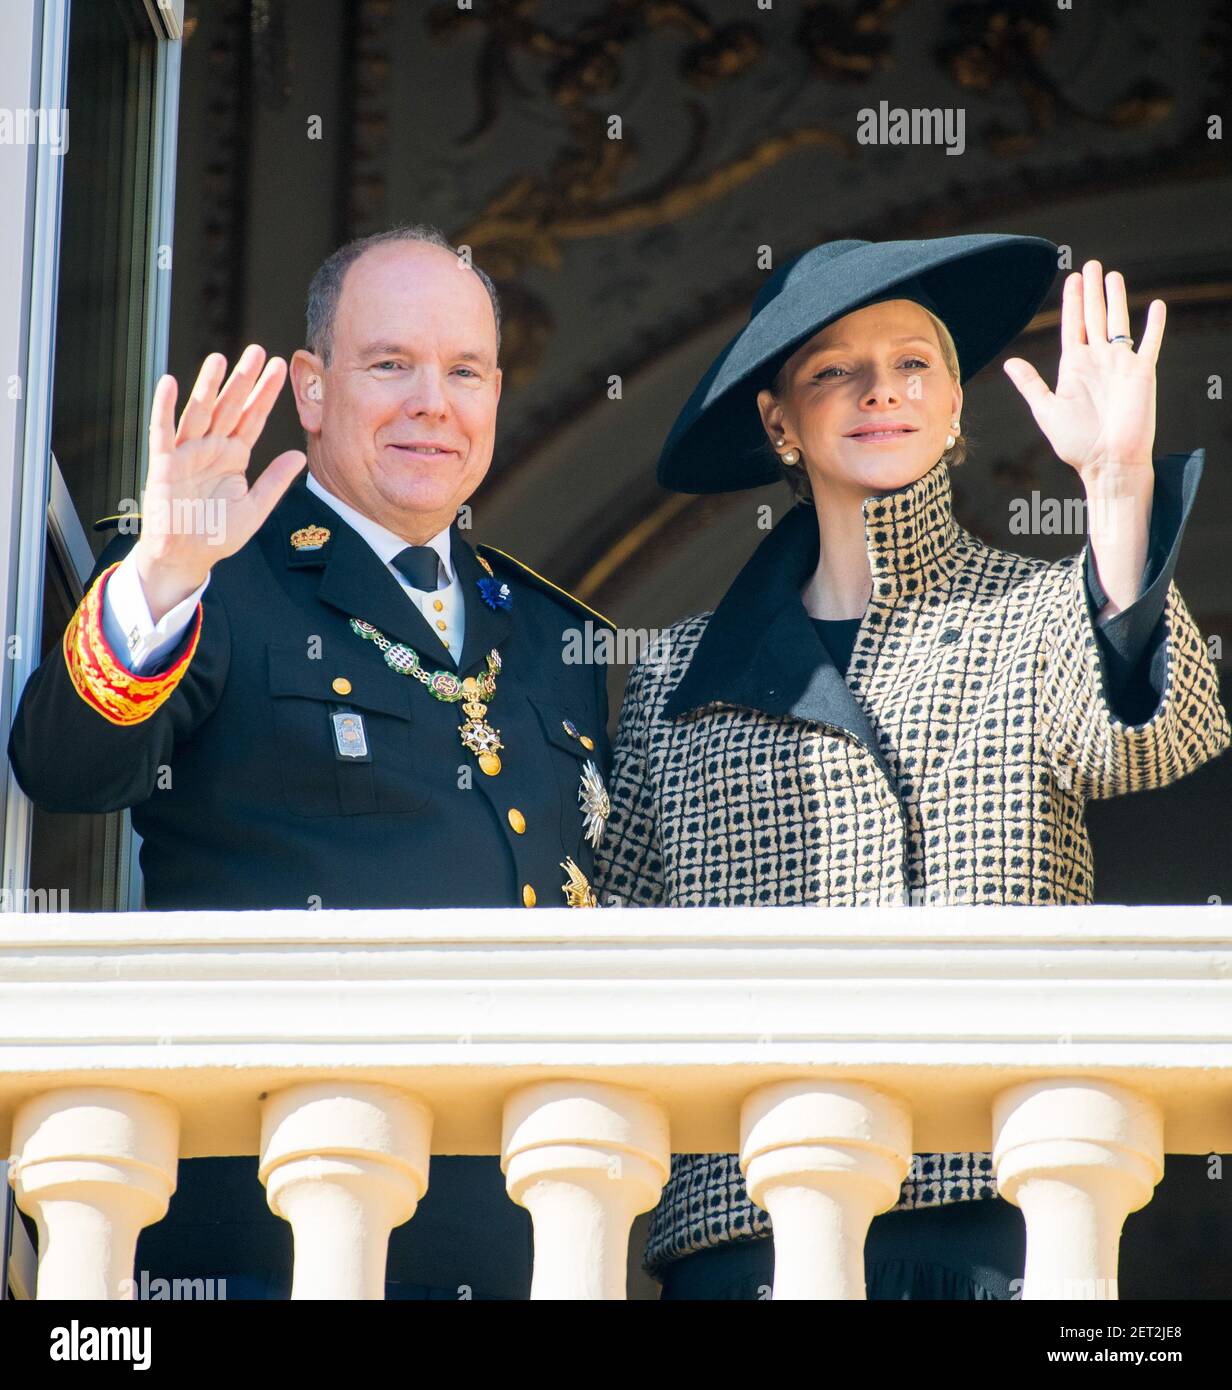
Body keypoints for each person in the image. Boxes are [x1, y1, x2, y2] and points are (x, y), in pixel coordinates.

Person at [593, 234, 1231, 1299]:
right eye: (832, 369)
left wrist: (1115, 490)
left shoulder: (1032, 618)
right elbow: (608, 952)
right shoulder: (673, 680)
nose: (876, 391)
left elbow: (1149, 735)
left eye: (910, 364)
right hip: (743, 1216)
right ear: (776, 421)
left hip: (991, 1205)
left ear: (950, 408)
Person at [8, 224, 615, 1299]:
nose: (433, 400)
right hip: (269, 1214)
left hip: (503, 1233)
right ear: (312, 387)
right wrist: (160, 572)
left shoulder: (551, 636)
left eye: (463, 371)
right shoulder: (216, 569)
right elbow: (65, 765)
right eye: (390, 364)